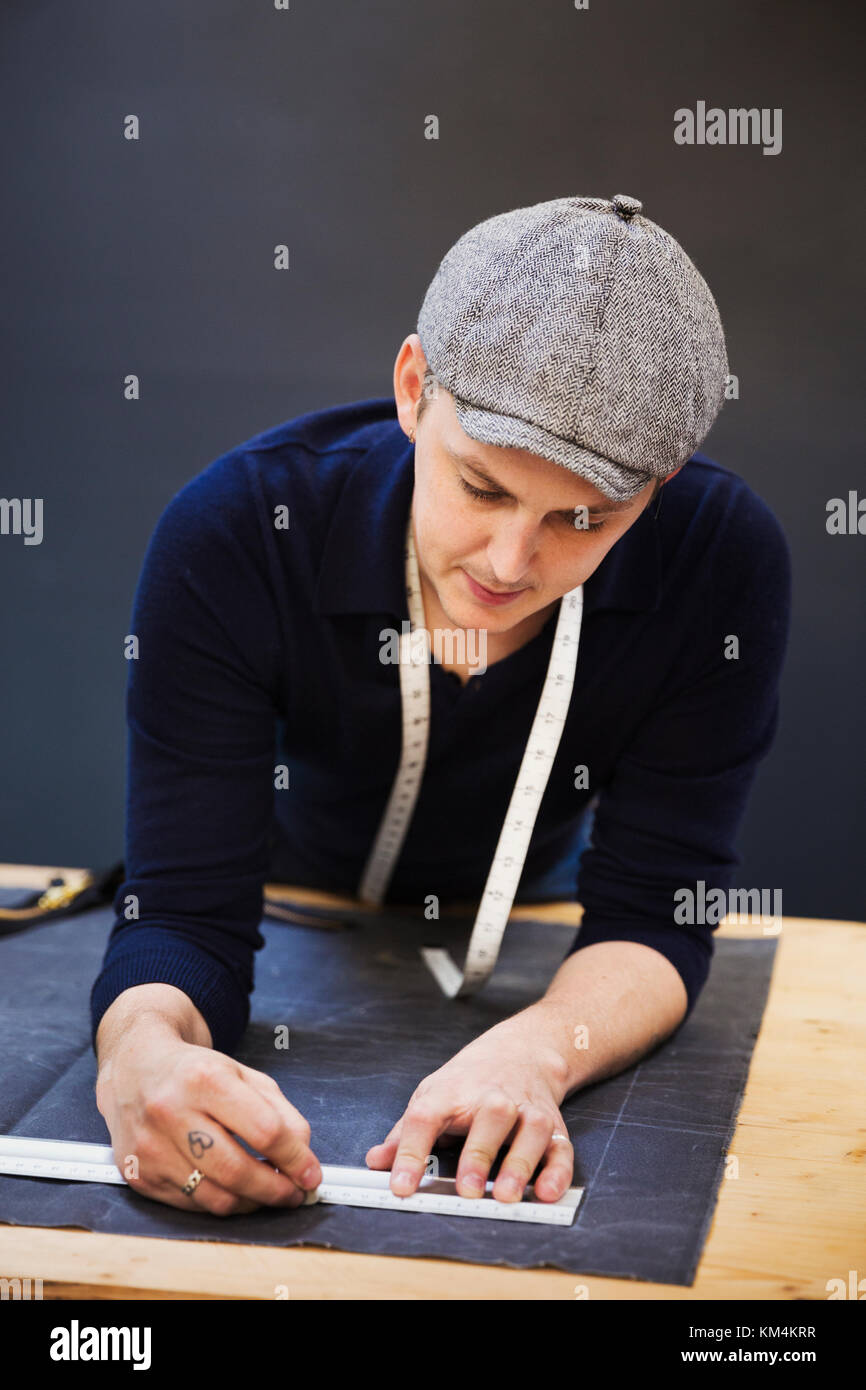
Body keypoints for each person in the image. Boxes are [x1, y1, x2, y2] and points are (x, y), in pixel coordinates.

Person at [91, 194, 792, 1216]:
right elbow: (187, 908)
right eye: (480, 486)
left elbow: (659, 910)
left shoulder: (718, 560)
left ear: (660, 483)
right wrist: (140, 1045)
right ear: (413, 388)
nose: (511, 563)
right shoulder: (240, 528)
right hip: (292, 887)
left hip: (543, 912)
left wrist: (541, 1050)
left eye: (583, 517)